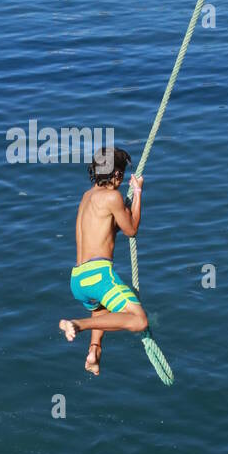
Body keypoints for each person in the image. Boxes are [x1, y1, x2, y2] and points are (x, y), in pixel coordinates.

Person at [59, 146, 148, 376]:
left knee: (100, 309)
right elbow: (131, 229)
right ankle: (77, 325)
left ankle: (94, 351)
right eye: (122, 174)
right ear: (116, 174)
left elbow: (109, 227)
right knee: (139, 321)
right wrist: (138, 192)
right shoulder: (112, 197)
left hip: (78, 279)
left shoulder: (86, 196)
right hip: (99, 276)